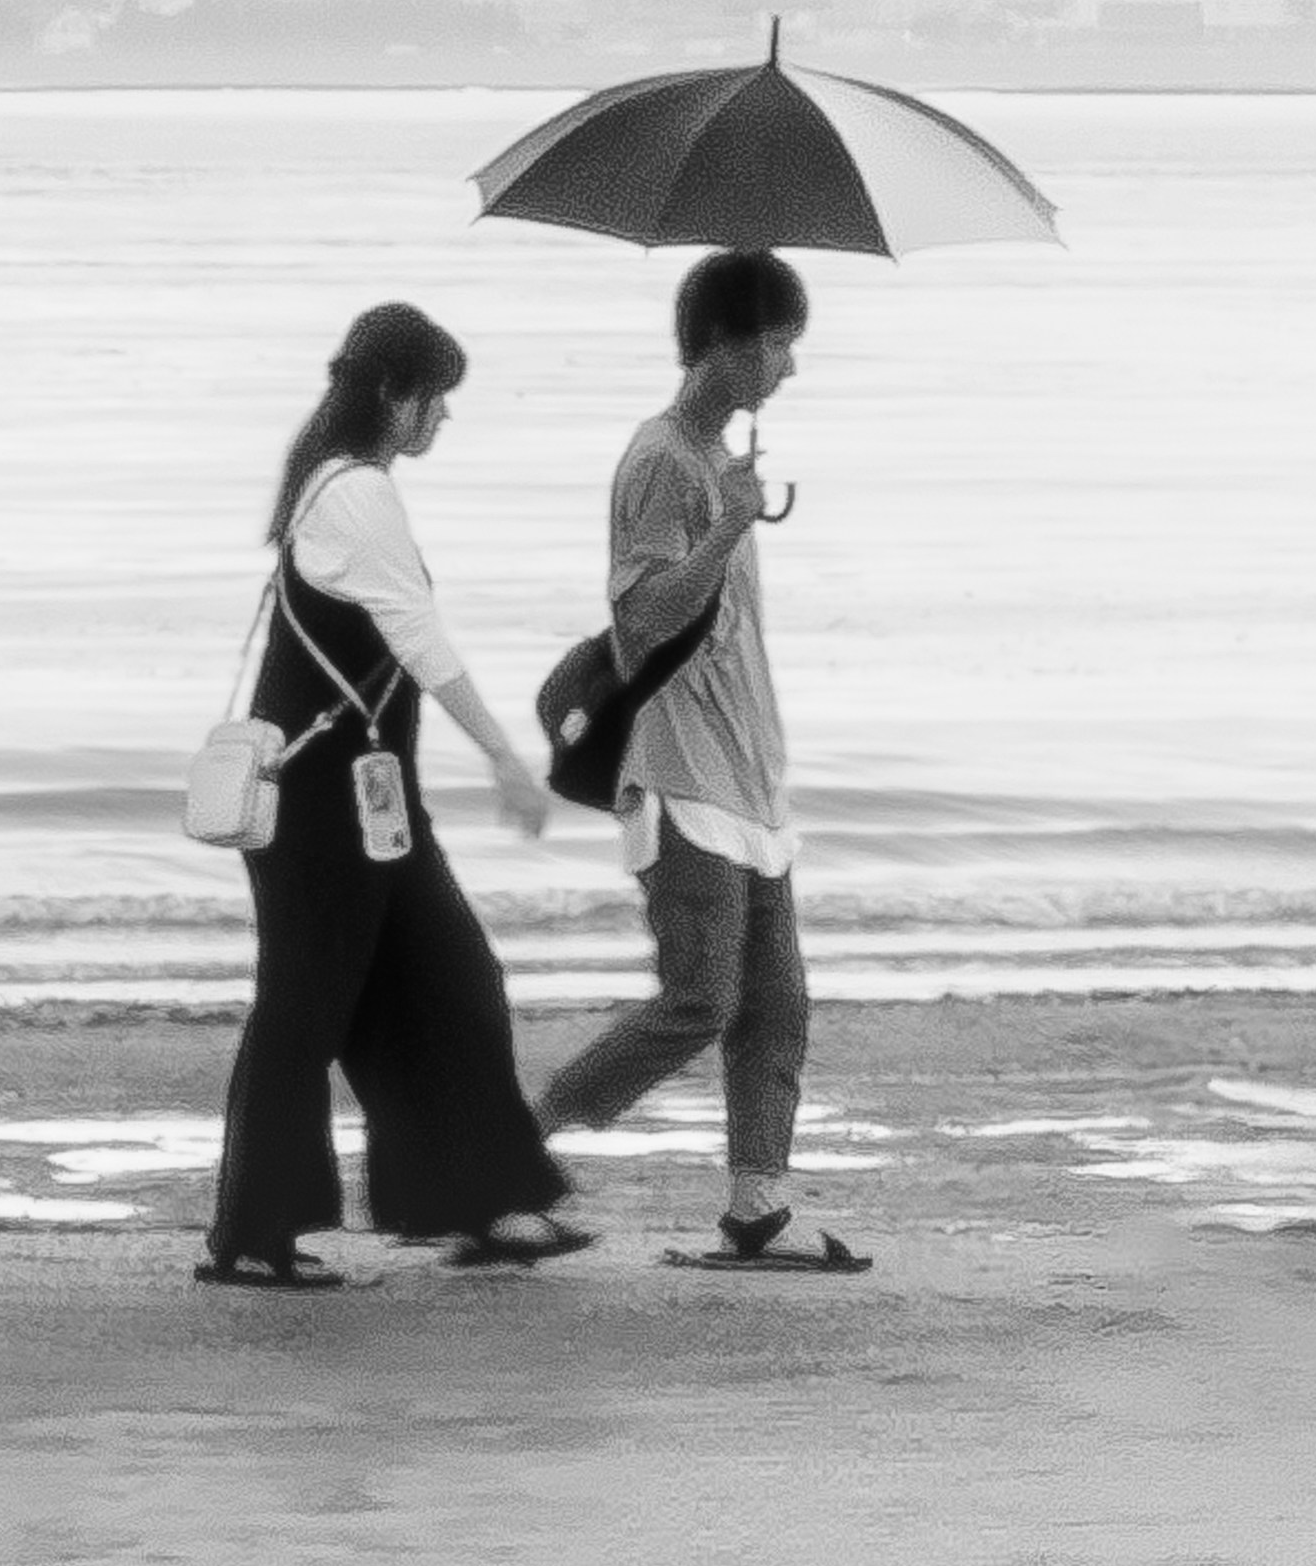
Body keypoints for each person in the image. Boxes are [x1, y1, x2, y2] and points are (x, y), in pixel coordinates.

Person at [199, 302, 590, 1288]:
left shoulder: (338, 487)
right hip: (331, 812)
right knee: (306, 1010)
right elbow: (422, 641)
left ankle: (476, 1205)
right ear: (393, 397)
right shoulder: (353, 495)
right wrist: (505, 757)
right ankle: (253, 1236)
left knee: (454, 984)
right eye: (436, 400)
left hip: (367, 806)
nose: (442, 421)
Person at [534, 249, 864, 1274]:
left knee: (778, 1005)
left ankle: (758, 1208)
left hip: (749, 776)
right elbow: (639, 621)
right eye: (778, 345)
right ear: (726, 345)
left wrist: (733, 509)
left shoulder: (713, 464)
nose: (787, 370)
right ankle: (513, 1137)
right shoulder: (660, 462)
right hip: (681, 773)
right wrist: (728, 523)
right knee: (698, 1001)